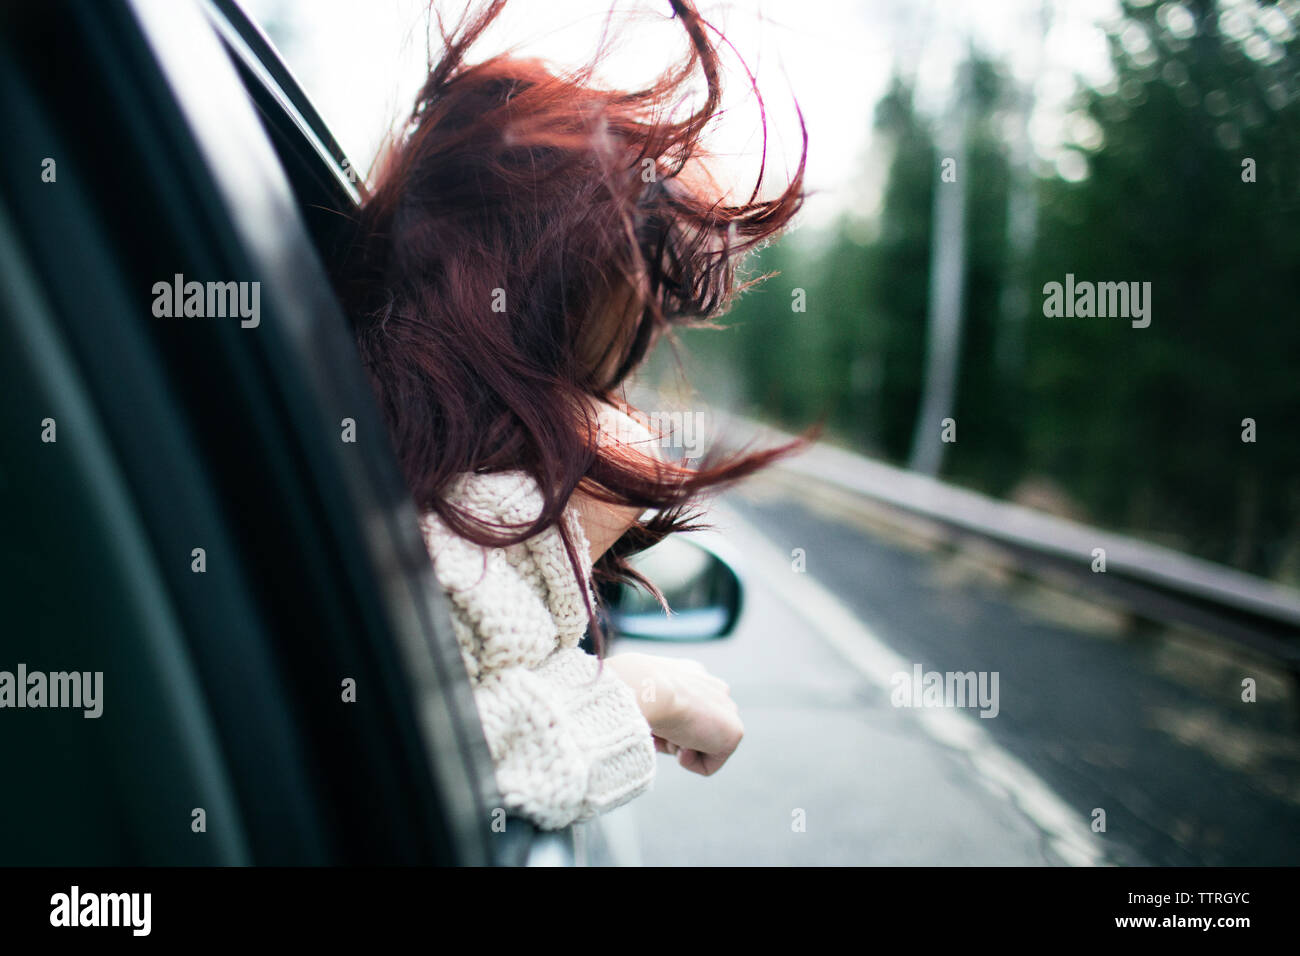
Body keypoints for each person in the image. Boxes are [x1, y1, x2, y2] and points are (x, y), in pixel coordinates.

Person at [340, 0, 805, 829]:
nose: (620, 426)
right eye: (596, 381)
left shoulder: (368, 482)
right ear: (492, 353)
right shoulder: (433, 545)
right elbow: (412, 758)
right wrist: (637, 691)